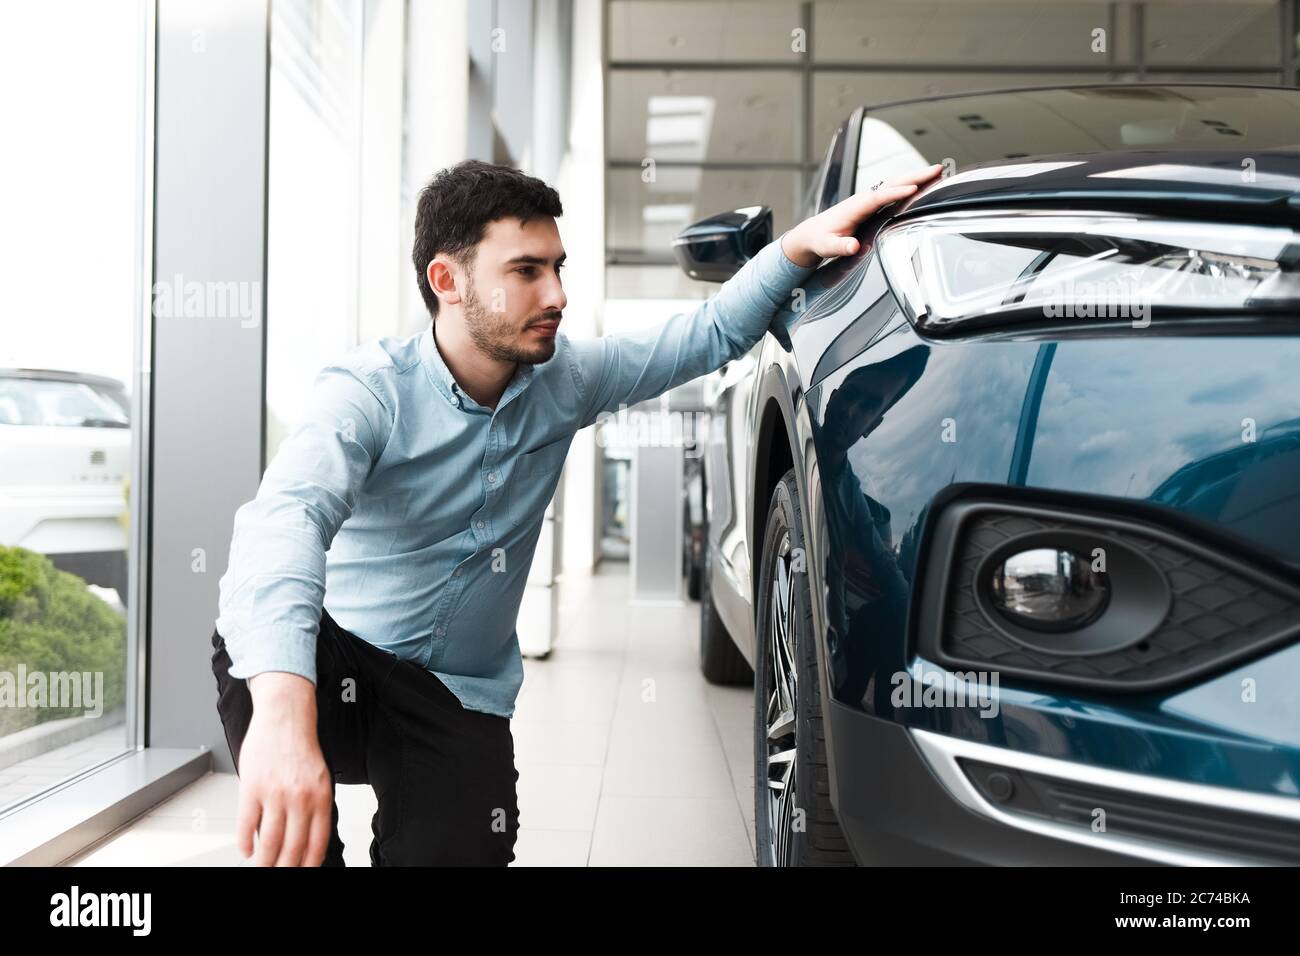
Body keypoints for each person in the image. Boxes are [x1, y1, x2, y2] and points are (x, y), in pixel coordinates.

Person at [210, 158, 944, 866]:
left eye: (558, 268)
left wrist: (797, 248)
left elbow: (709, 333)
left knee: (461, 849)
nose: (556, 293)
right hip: (339, 673)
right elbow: (286, 521)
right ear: (447, 281)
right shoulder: (369, 391)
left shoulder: (570, 380)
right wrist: (280, 716)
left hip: (453, 695)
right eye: (526, 271)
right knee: (259, 633)